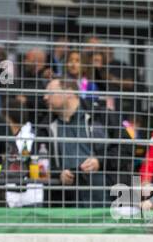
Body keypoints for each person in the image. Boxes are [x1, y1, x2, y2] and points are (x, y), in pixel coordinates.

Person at [43, 76, 118, 207]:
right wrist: (59, 174)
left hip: (105, 199)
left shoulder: (101, 115)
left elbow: (127, 149)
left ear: (69, 93)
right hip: (66, 204)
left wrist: (99, 161)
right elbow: (40, 162)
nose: (45, 97)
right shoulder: (45, 126)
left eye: (50, 92)